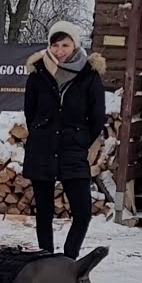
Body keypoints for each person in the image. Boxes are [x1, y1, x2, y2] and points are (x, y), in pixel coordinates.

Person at [22, 20, 108, 258]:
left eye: (65, 45)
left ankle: (69, 259)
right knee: (44, 212)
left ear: (75, 45)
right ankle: (46, 258)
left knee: (82, 212)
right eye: (55, 45)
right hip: (42, 149)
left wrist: (80, 140)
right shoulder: (38, 73)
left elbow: (97, 116)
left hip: (73, 150)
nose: (60, 51)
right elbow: (31, 112)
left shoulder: (89, 75)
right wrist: (41, 132)